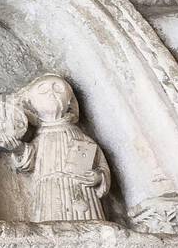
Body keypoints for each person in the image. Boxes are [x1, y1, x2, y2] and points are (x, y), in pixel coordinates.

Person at [12, 74, 110, 222]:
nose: (51, 93)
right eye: (43, 90)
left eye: (57, 88)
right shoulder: (39, 140)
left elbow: (101, 165)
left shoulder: (83, 138)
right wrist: (18, 149)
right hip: (50, 193)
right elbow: (28, 162)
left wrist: (98, 177)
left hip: (83, 194)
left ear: (69, 100)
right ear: (31, 103)